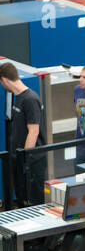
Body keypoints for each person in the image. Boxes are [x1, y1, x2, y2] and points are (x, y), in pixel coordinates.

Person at [0, 63, 44, 211]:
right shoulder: (17, 97)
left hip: (30, 163)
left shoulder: (30, 99)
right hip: (18, 160)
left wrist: (24, 160)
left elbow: (34, 131)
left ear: (4, 80)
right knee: (21, 201)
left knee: (33, 203)